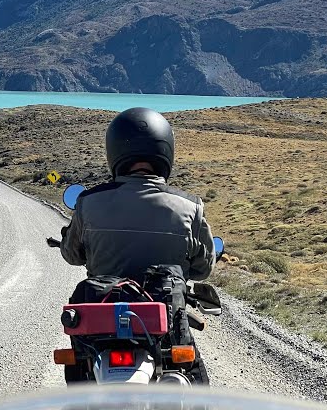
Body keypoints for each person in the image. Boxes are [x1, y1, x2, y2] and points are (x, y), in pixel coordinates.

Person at [57, 106, 215, 383]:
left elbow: (72, 255)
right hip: (163, 319)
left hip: (102, 317)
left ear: (115, 151)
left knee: (79, 366)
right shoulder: (190, 207)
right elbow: (203, 269)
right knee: (195, 380)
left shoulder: (88, 202)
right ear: (166, 151)